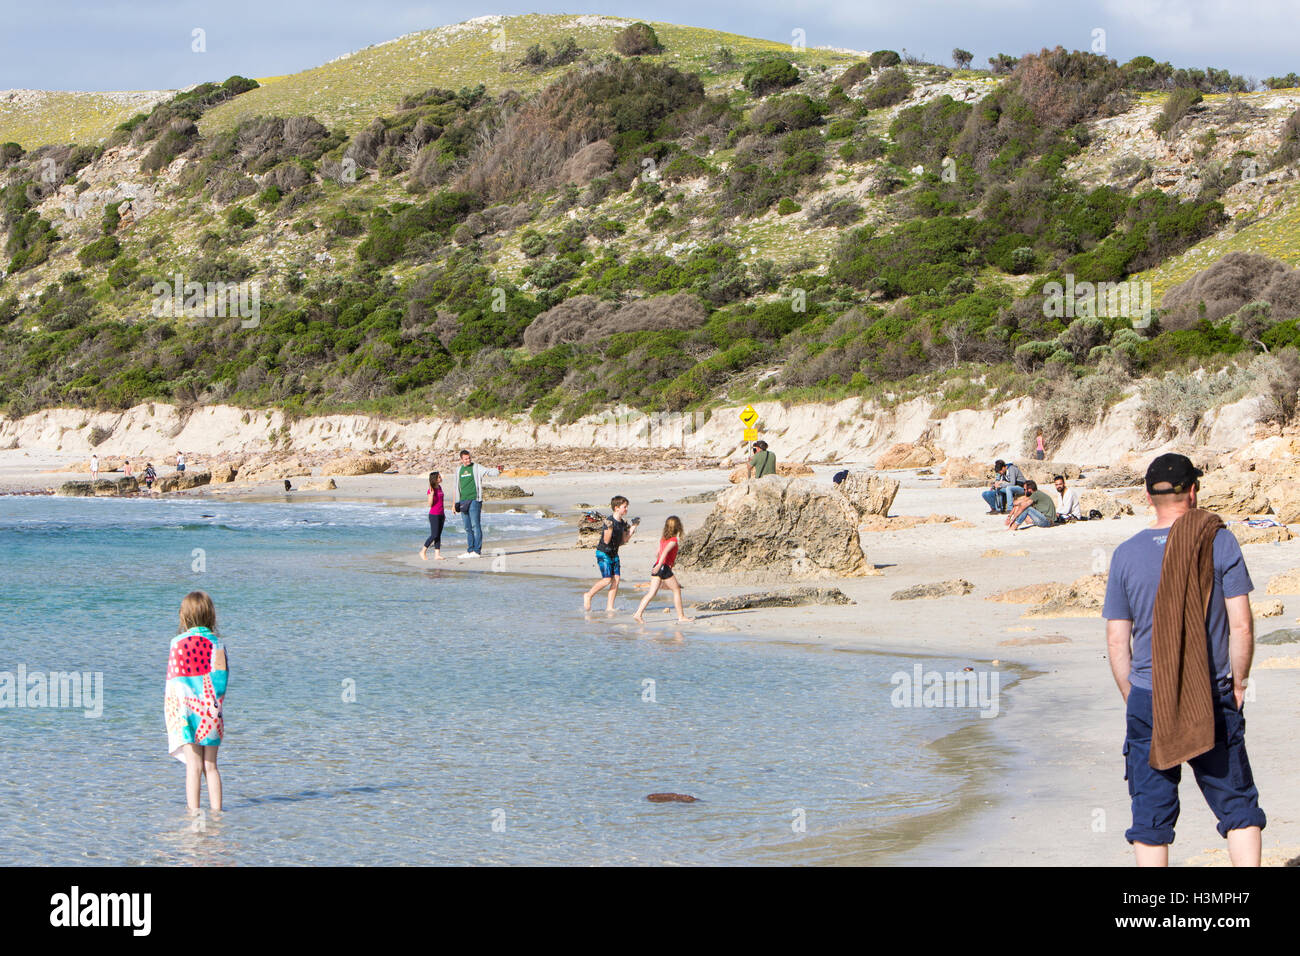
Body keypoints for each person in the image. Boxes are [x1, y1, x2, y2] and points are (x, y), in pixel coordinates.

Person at [1102, 453, 1265, 866]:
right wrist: (1239, 681)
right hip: (1208, 692)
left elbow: (1117, 641)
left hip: (1147, 695)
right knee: (1238, 807)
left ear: (1147, 495)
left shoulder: (1124, 554)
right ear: (1193, 490)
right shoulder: (1217, 539)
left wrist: (1134, 694)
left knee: (1150, 818)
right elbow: (1240, 625)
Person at [165, 591, 228, 814]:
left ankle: (194, 815)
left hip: (185, 713)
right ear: (211, 615)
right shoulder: (217, 644)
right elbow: (221, 683)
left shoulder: (176, 644)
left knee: (193, 766)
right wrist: (214, 706)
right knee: (210, 766)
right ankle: (217, 814)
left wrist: (173, 718)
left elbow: (173, 685)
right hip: (211, 712)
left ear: (184, 616)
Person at [634, 516, 692, 623]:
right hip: (663, 567)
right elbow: (664, 552)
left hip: (658, 566)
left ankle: (638, 614)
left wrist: (658, 564)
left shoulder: (663, 539)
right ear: (678, 527)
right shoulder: (673, 540)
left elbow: (657, 552)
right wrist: (662, 564)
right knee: (676, 590)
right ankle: (681, 616)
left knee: (651, 593)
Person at [583, 496, 638, 611]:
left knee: (616, 579)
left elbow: (623, 541)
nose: (626, 509)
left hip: (614, 554)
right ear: (616, 508)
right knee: (607, 579)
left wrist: (633, 527)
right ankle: (588, 595)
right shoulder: (609, 521)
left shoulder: (622, 523)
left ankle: (609, 607)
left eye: (627, 506)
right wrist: (610, 528)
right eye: (624, 507)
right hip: (603, 553)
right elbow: (606, 541)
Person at [453, 450, 504, 559]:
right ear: (461, 459)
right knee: (467, 527)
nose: (468, 460)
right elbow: (456, 488)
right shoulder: (458, 470)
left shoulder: (476, 467)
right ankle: (470, 550)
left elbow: (488, 472)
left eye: (469, 458)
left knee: (475, 525)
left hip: (475, 500)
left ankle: (477, 550)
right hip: (462, 501)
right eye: (466, 459)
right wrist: (454, 503)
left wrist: (498, 470)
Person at [421, 471, 445, 561]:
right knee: (434, 534)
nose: (440, 478)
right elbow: (430, 504)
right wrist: (431, 496)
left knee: (438, 535)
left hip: (441, 514)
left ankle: (437, 555)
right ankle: (423, 551)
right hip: (434, 514)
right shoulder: (431, 489)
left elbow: (441, 502)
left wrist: (443, 514)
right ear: (435, 479)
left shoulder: (440, 487)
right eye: (439, 477)